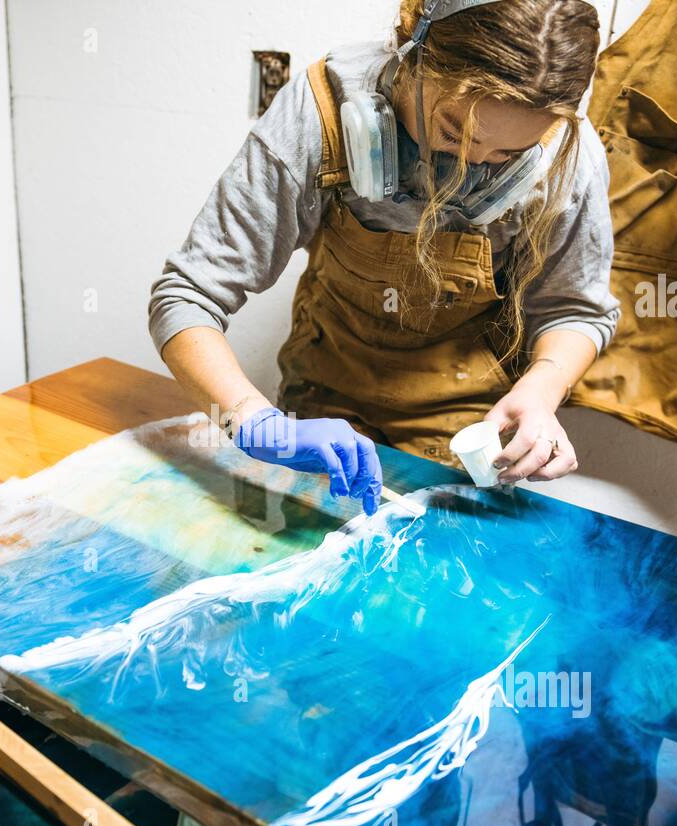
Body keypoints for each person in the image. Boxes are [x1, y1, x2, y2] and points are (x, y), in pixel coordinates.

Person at [150, 0, 618, 513]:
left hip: (465, 420)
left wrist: (544, 386)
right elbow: (188, 295)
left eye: (508, 156)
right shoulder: (321, 111)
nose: (475, 166)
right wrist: (251, 420)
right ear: (411, 53)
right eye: (453, 134)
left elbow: (575, 309)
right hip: (326, 397)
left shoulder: (568, 156)